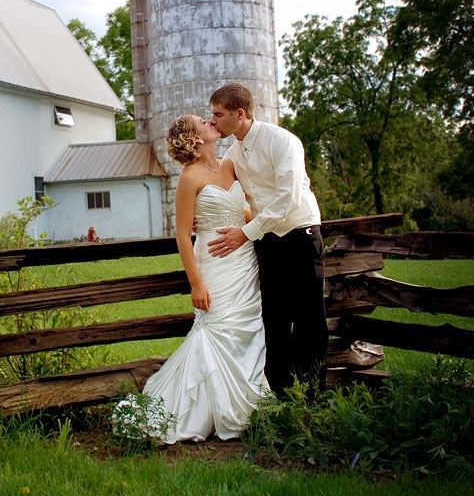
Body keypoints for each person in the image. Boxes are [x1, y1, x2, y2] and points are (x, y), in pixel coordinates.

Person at [123, 114, 268, 444]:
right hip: (213, 264)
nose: (211, 120)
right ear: (195, 137)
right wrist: (196, 283)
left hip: (244, 261)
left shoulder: (230, 165)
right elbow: (182, 235)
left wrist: (259, 226)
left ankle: (250, 404)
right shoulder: (189, 178)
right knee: (217, 328)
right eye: (204, 121)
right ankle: (198, 411)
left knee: (249, 326)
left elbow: (244, 212)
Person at [207, 83, 327, 396]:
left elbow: (288, 198)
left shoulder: (282, 141)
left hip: (301, 235)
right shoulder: (233, 153)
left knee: (309, 317)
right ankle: (283, 395)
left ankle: (312, 396)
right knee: (273, 319)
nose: (213, 121)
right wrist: (207, 214)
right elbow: (231, 196)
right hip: (267, 241)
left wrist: (243, 234)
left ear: (240, 113)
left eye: (218, 114)